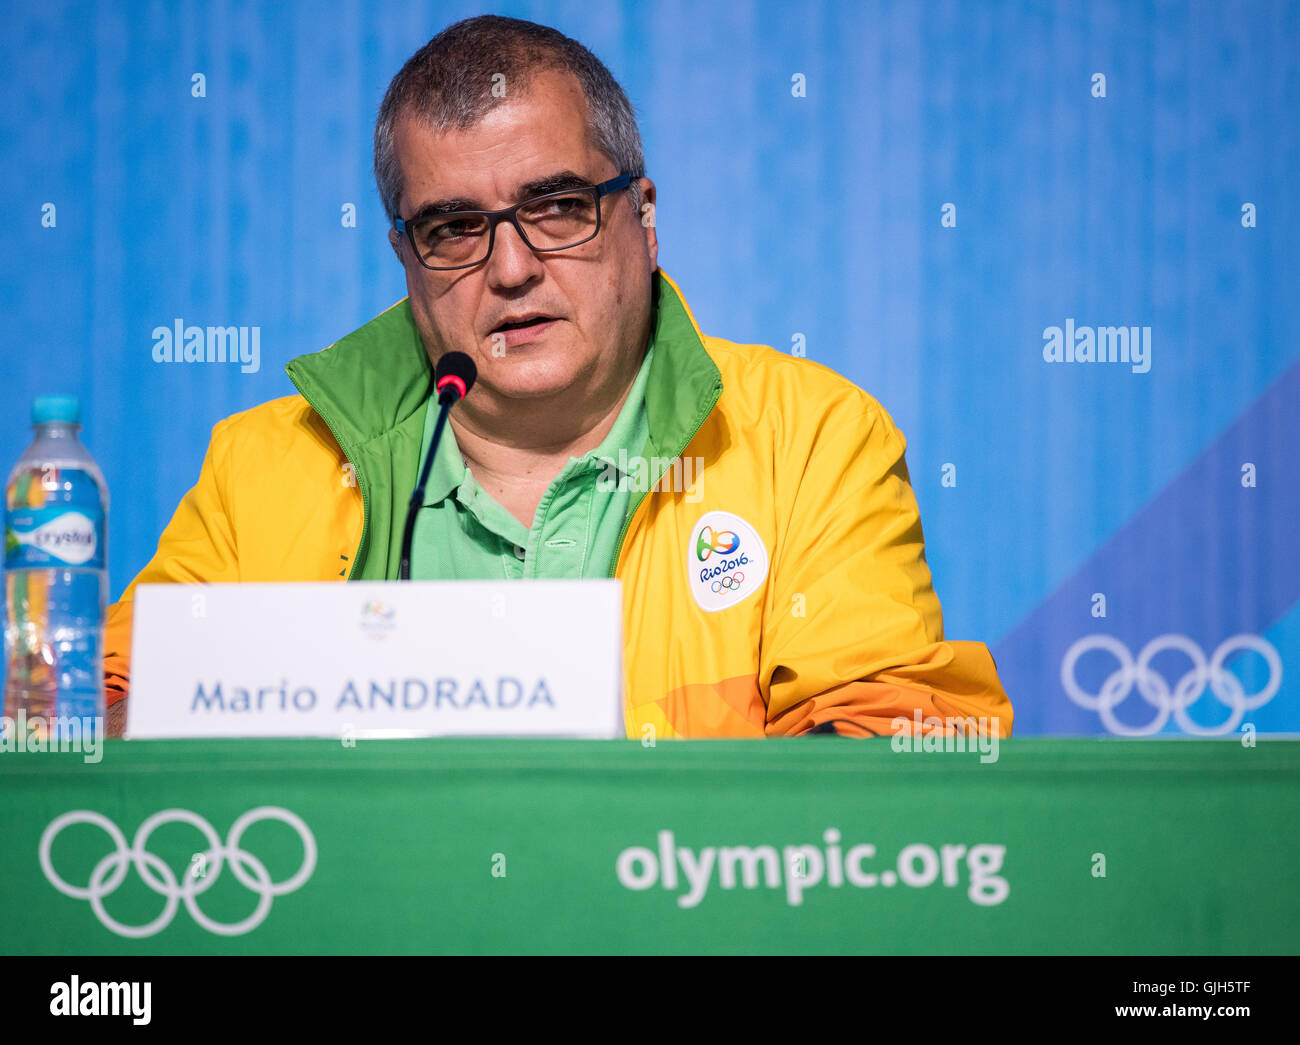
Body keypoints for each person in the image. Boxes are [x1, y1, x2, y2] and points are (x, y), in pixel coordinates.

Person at [104, 15, 1012, 739]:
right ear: (405, 257)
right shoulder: (264, 465)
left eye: (555, 207)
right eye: (454, 228)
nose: (509, 269)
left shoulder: (808, 438)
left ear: (644, 216)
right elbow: (87, 729)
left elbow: (896, 743)